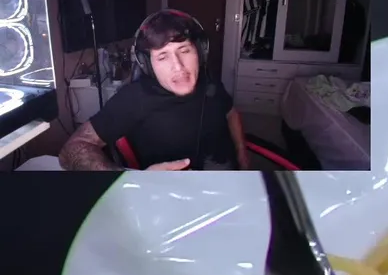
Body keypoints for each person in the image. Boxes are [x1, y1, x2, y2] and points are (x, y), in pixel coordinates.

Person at [59, 9, 250, 171]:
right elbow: (71, 150)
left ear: (200, 52)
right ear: (147, 64)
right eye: (162, 57)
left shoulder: (209, 81)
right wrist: (128, 179)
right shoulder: (134, 98)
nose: (178, 66)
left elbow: (230, 112)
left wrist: (241, 153)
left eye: (184, 50)